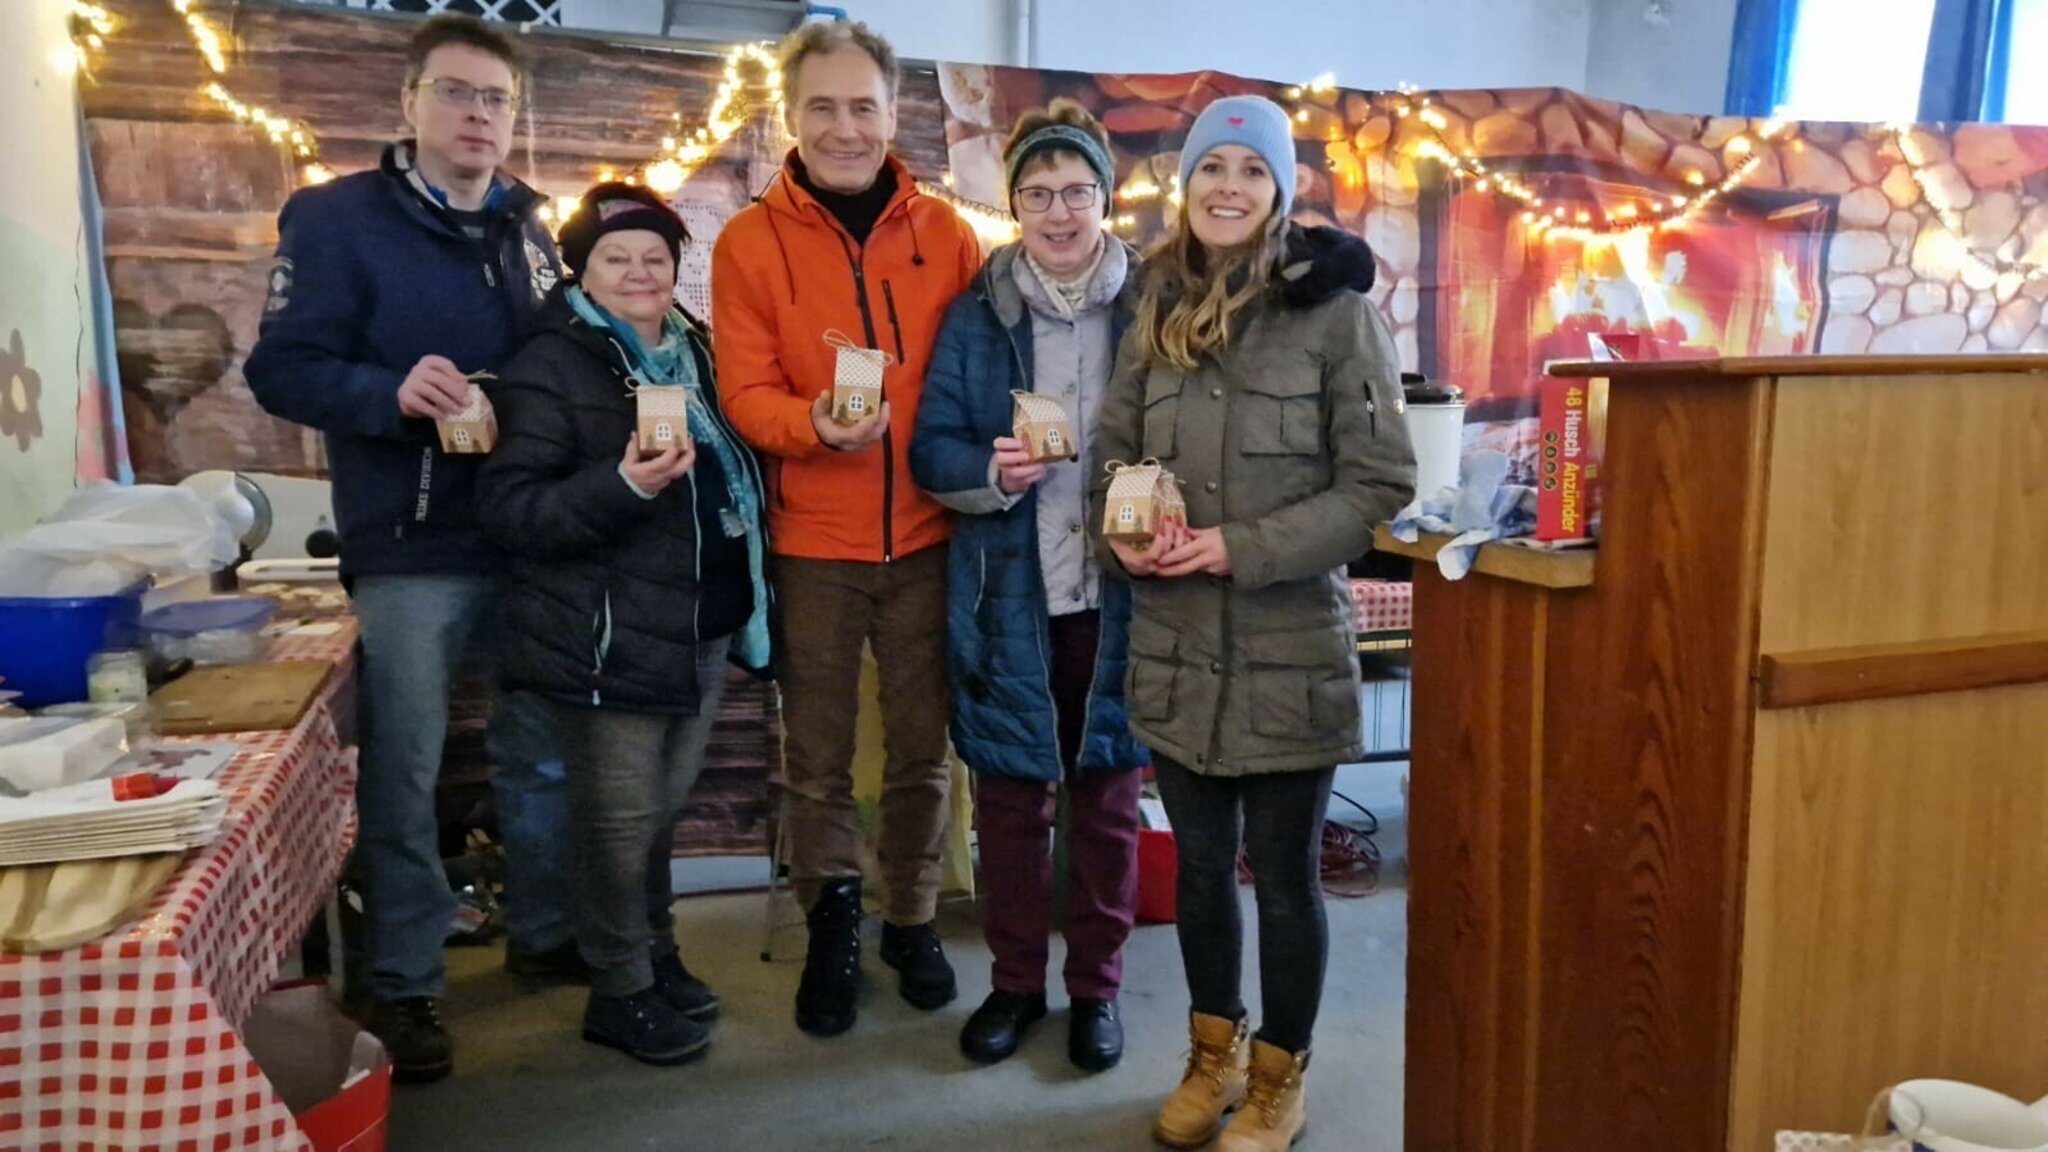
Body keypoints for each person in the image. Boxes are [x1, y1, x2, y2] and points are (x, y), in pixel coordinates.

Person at [242, 14, 576, 1083]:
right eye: (457, 93)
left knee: (536, 753)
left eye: (495, 100)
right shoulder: (337, 219)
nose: (478, 116)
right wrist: (387, 395)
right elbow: (281, 371)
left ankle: (542, 932)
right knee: (404, 769)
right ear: (409, 102)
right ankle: (404, 979)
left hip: (526, 537)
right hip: (411, 544)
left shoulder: (530, 228)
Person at [1090, 95, 1416, 1152]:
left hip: (1285, 648)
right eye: (1209, 168)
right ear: (1183, 186)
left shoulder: (1336, 316)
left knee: (1281, 883)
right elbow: (1110, 456)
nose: (1226, 186)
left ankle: (1280, 1079)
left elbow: (1378, 481)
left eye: (1249, 169)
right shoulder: (1153, 307)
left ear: (1280, 189)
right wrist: (1125, 530)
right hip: (1175, 644)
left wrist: (1241, 545)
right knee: (1195, 870)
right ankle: (1208, 1057)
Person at [710, 20, 983, 1037]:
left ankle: (909, 918)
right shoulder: (749, 242)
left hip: (928, 537)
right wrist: (809, 427)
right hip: (811, 544)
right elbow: (742, 390)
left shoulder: (947, 233)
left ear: (893, 111)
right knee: (815, 755)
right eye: (821, 106)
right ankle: (832, 918)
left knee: (921, 750)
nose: (842, 126)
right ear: (790, 115)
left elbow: (976, 377)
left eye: (861, 105)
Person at [477, 183, 772, 1067]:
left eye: (656, 257)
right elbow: (511, 511)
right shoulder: (553, 364)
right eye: (618, 257)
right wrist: (624, 485)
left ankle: (656, 952)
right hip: (608, 632)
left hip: (698, 622)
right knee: (615, 819)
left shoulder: (699, 350)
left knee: (655, 815)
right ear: (583, 268)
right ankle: (618, 988)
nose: (640, 272)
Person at [908, 100, 1145, 1073]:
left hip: (1120, 595)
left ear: (1104, 197)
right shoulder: (974, 315)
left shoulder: (1153, 307)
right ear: (1012, 206)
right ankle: (1014, 987)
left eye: (1075, 192)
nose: (1057, 213)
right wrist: (989, 475)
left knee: (1107, 803)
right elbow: (930, 449)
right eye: (1037, 195)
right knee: (1011, 804)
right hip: (1006, 594)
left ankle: (1096, 991)